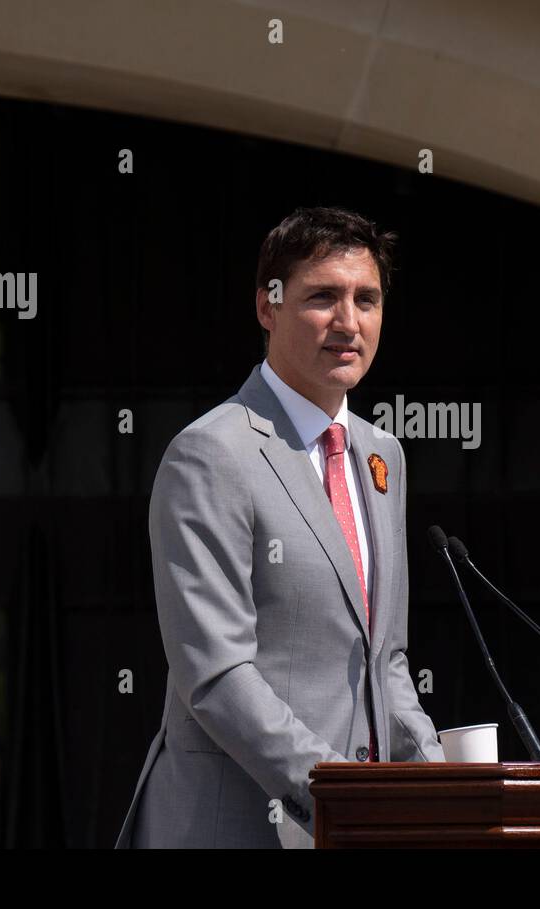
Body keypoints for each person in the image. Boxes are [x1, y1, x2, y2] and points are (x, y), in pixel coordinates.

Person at [116, 206, 445, 849]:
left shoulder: (384, 456)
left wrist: (438, 789)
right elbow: (215, 673)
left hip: (353, 826)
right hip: (237, 829)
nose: (348, 322)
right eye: (322, 297)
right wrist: (337, 795)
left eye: (367, 299)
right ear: (267, 308)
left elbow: (387, 661)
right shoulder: (209, 454)